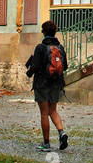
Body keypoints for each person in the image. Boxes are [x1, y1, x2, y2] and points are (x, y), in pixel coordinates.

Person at [26, 20, 68, 152]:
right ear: (55, 32)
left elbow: (36, 66)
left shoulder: (40, 47)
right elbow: (65, 66)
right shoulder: (60, 48)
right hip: (56, 83)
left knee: (44, 113)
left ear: (43, 32)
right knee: (53, 110)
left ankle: (46, 143)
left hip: (42, 84)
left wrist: (29, 72)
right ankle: (62, 133)